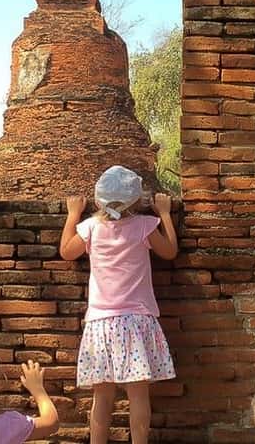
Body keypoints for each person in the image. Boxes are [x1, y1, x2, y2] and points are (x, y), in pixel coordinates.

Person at [60, 165, 179, 444]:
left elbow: (67, 252)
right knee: (138, 395)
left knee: (101, 397)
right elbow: (170, 252)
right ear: (136, 199)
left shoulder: (91, 228)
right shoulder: (142, 226)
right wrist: (164, 214)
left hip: (101, 323)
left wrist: (73, 215)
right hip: (136, 322)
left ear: (98, 198)